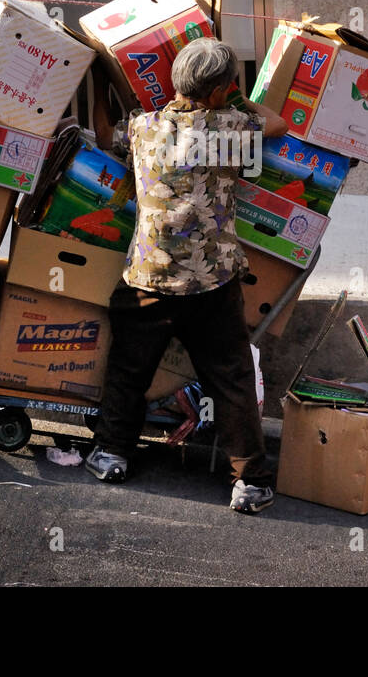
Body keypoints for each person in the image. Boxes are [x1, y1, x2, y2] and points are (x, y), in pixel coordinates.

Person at [86, 39, 288, 514]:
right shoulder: (232, 127)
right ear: (220, 92)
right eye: (228, 86)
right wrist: (235, 98)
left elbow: (100, 133)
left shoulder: (144, 126)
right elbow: (278, 121)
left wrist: (99, 86)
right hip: (211, 284)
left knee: (129, 369)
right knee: (231, 379)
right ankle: (250, 482)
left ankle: (112, 452)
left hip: (148, 280)